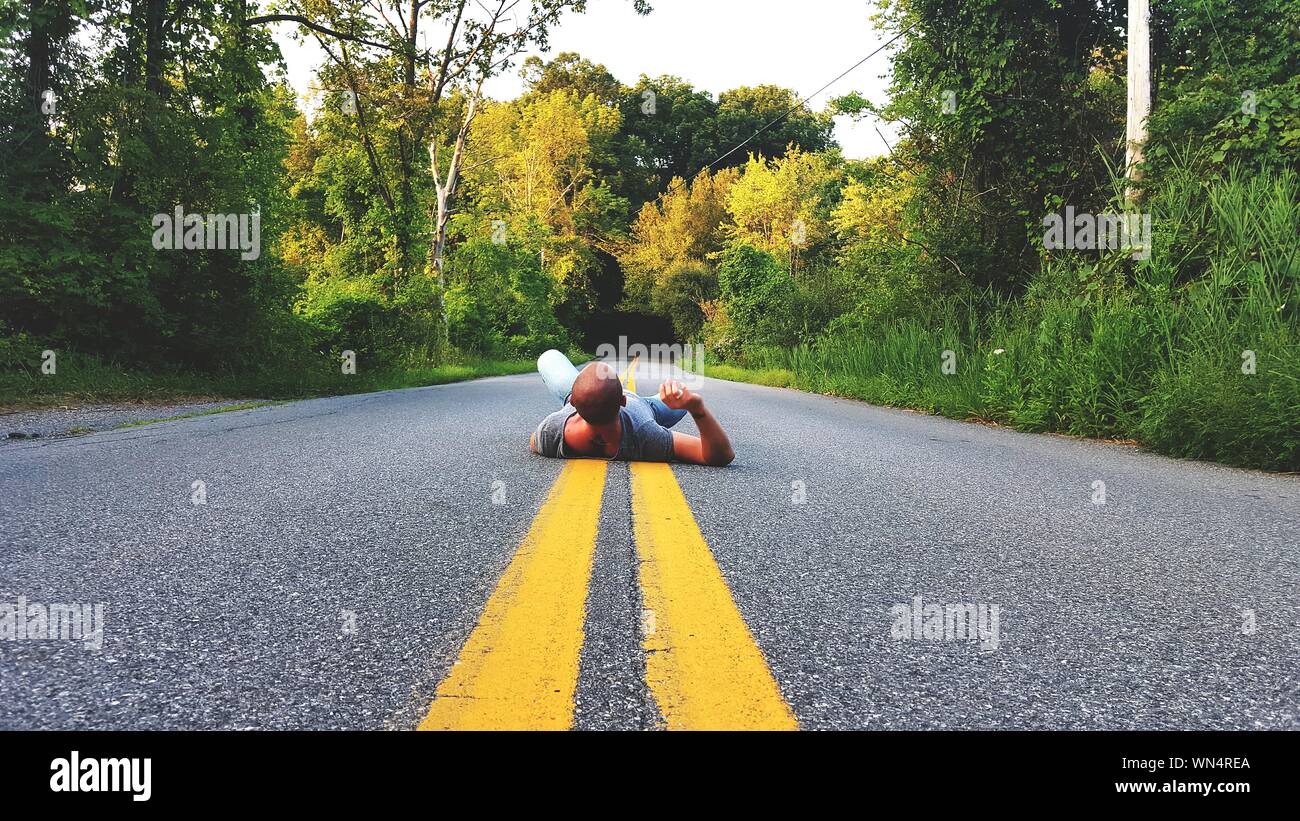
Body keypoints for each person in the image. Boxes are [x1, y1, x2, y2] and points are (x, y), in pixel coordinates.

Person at [530, 349, 735, 466]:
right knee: (683, 393)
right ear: (623, 401)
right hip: (639, 406)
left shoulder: (552, 432)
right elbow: (721, 456)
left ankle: (584, 388)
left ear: (572, 403)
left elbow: (534, 442)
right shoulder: (646, 434)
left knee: (548, 356)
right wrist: (697, 408)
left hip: (602, 399)